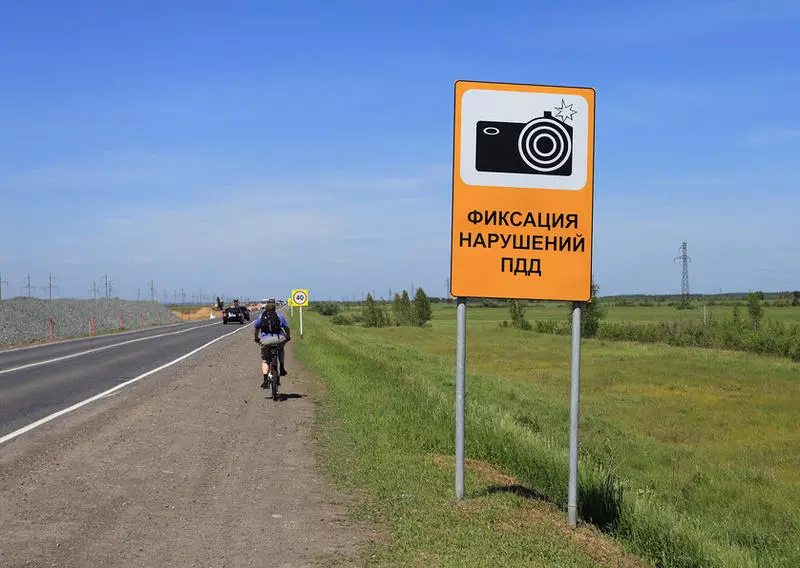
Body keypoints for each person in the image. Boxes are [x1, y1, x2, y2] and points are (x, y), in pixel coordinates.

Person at [253, 298, 290, 389]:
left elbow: (256, 329)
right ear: (274, 308)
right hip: (278, 338)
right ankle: (281, 367)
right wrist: (288, 337)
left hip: (266, 340)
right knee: (281, 349)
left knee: (265, 360)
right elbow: (286, 328)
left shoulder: (261, 316)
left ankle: (265, 379)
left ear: (265, 308)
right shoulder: (279, 316)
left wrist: (256, 338)